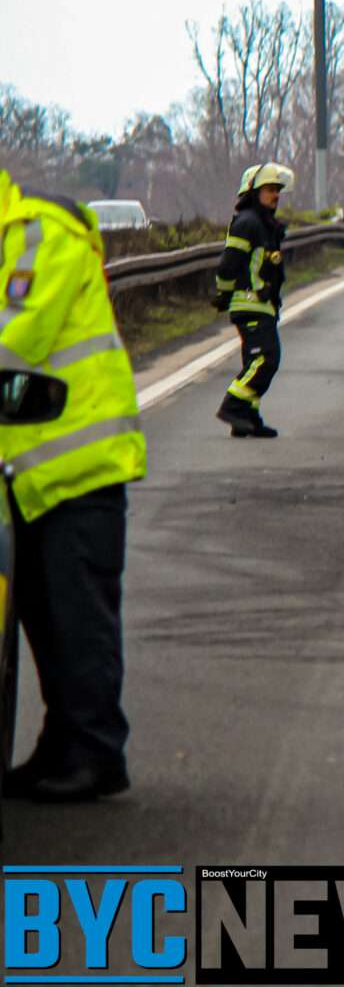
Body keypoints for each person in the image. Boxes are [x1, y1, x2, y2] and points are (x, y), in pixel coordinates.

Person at [0, 169, 147, 802]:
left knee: (77, 619)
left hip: (77, 466)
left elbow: (14, 336)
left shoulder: (37, 231)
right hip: (35, 473)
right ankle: (60, 747)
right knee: (45, 619)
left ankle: (95, 753)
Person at [213, 163, 293, 438]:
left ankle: (247, 416)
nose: (276, 195)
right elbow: (228, 265)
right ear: (253, 192)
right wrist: (223, 294)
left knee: (255, 360)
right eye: (270, 190)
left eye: (277, 190)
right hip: (249, 303)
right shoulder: (248, 222)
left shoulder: (265, 224)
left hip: (263, 304)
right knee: (267, 359)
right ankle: (233, 406)